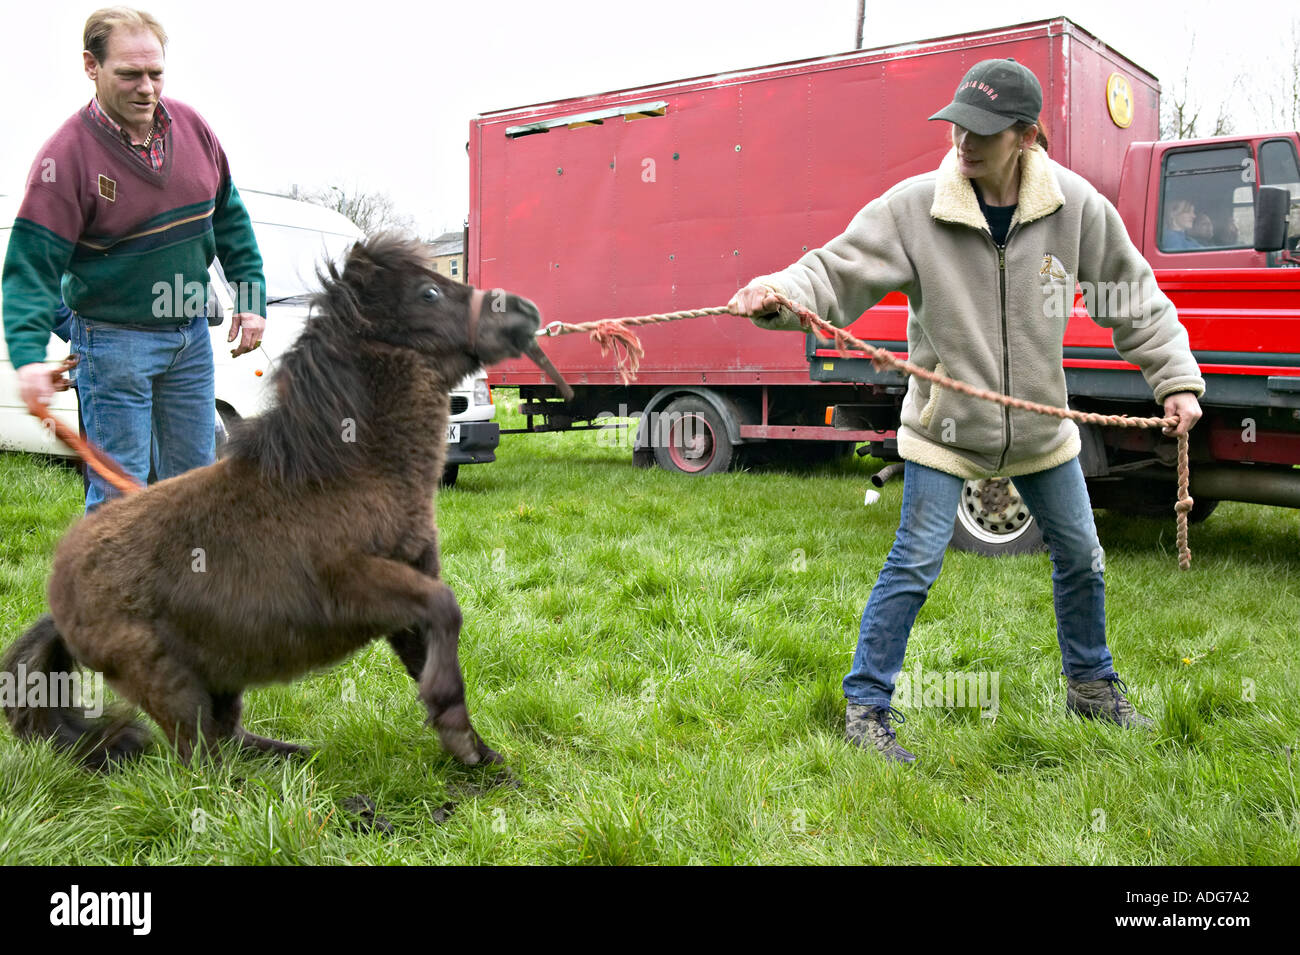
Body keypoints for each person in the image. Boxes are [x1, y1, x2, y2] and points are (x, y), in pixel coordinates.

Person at [728, 59, 1204, 763]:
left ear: (1024, 135)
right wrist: (782, 291)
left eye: (982, 130)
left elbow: (1130, 296)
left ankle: (1092, 689)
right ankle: (866, 707)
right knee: (915, 561)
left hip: (1042, 427)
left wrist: (1175, 378)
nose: (962, 141)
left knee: (1082, 556)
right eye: (956, 125)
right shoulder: (915, 208)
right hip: (943, 427)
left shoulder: (1075, 208)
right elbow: (833, 270)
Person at [3, 6, 266, 511]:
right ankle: (111, 593)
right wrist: (29, 356)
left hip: (189, 338)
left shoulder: (195, 131)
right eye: (129, 74)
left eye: (155, 73)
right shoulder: (66, 159)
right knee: (121, 499)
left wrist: (251, 300)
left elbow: (230, 218)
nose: (147, 87)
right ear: (91, 66)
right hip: (112, 343)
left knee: (195, 486)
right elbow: (30, 268)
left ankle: (189, 588)